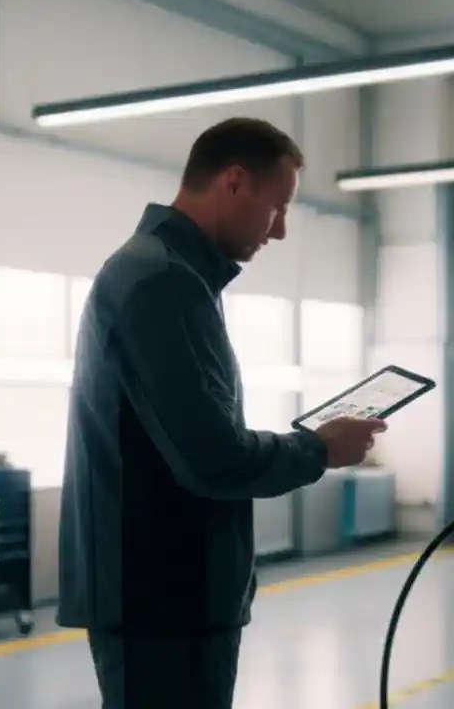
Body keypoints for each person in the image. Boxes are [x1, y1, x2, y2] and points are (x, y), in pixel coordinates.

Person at [57, 117, 388, 709]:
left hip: (168, 593)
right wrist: (320, 448)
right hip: (162, 601)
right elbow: (212, 457)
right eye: (277, 208)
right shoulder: (161, 281)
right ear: (235, 182)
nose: (279, 231)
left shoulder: (169, 276)